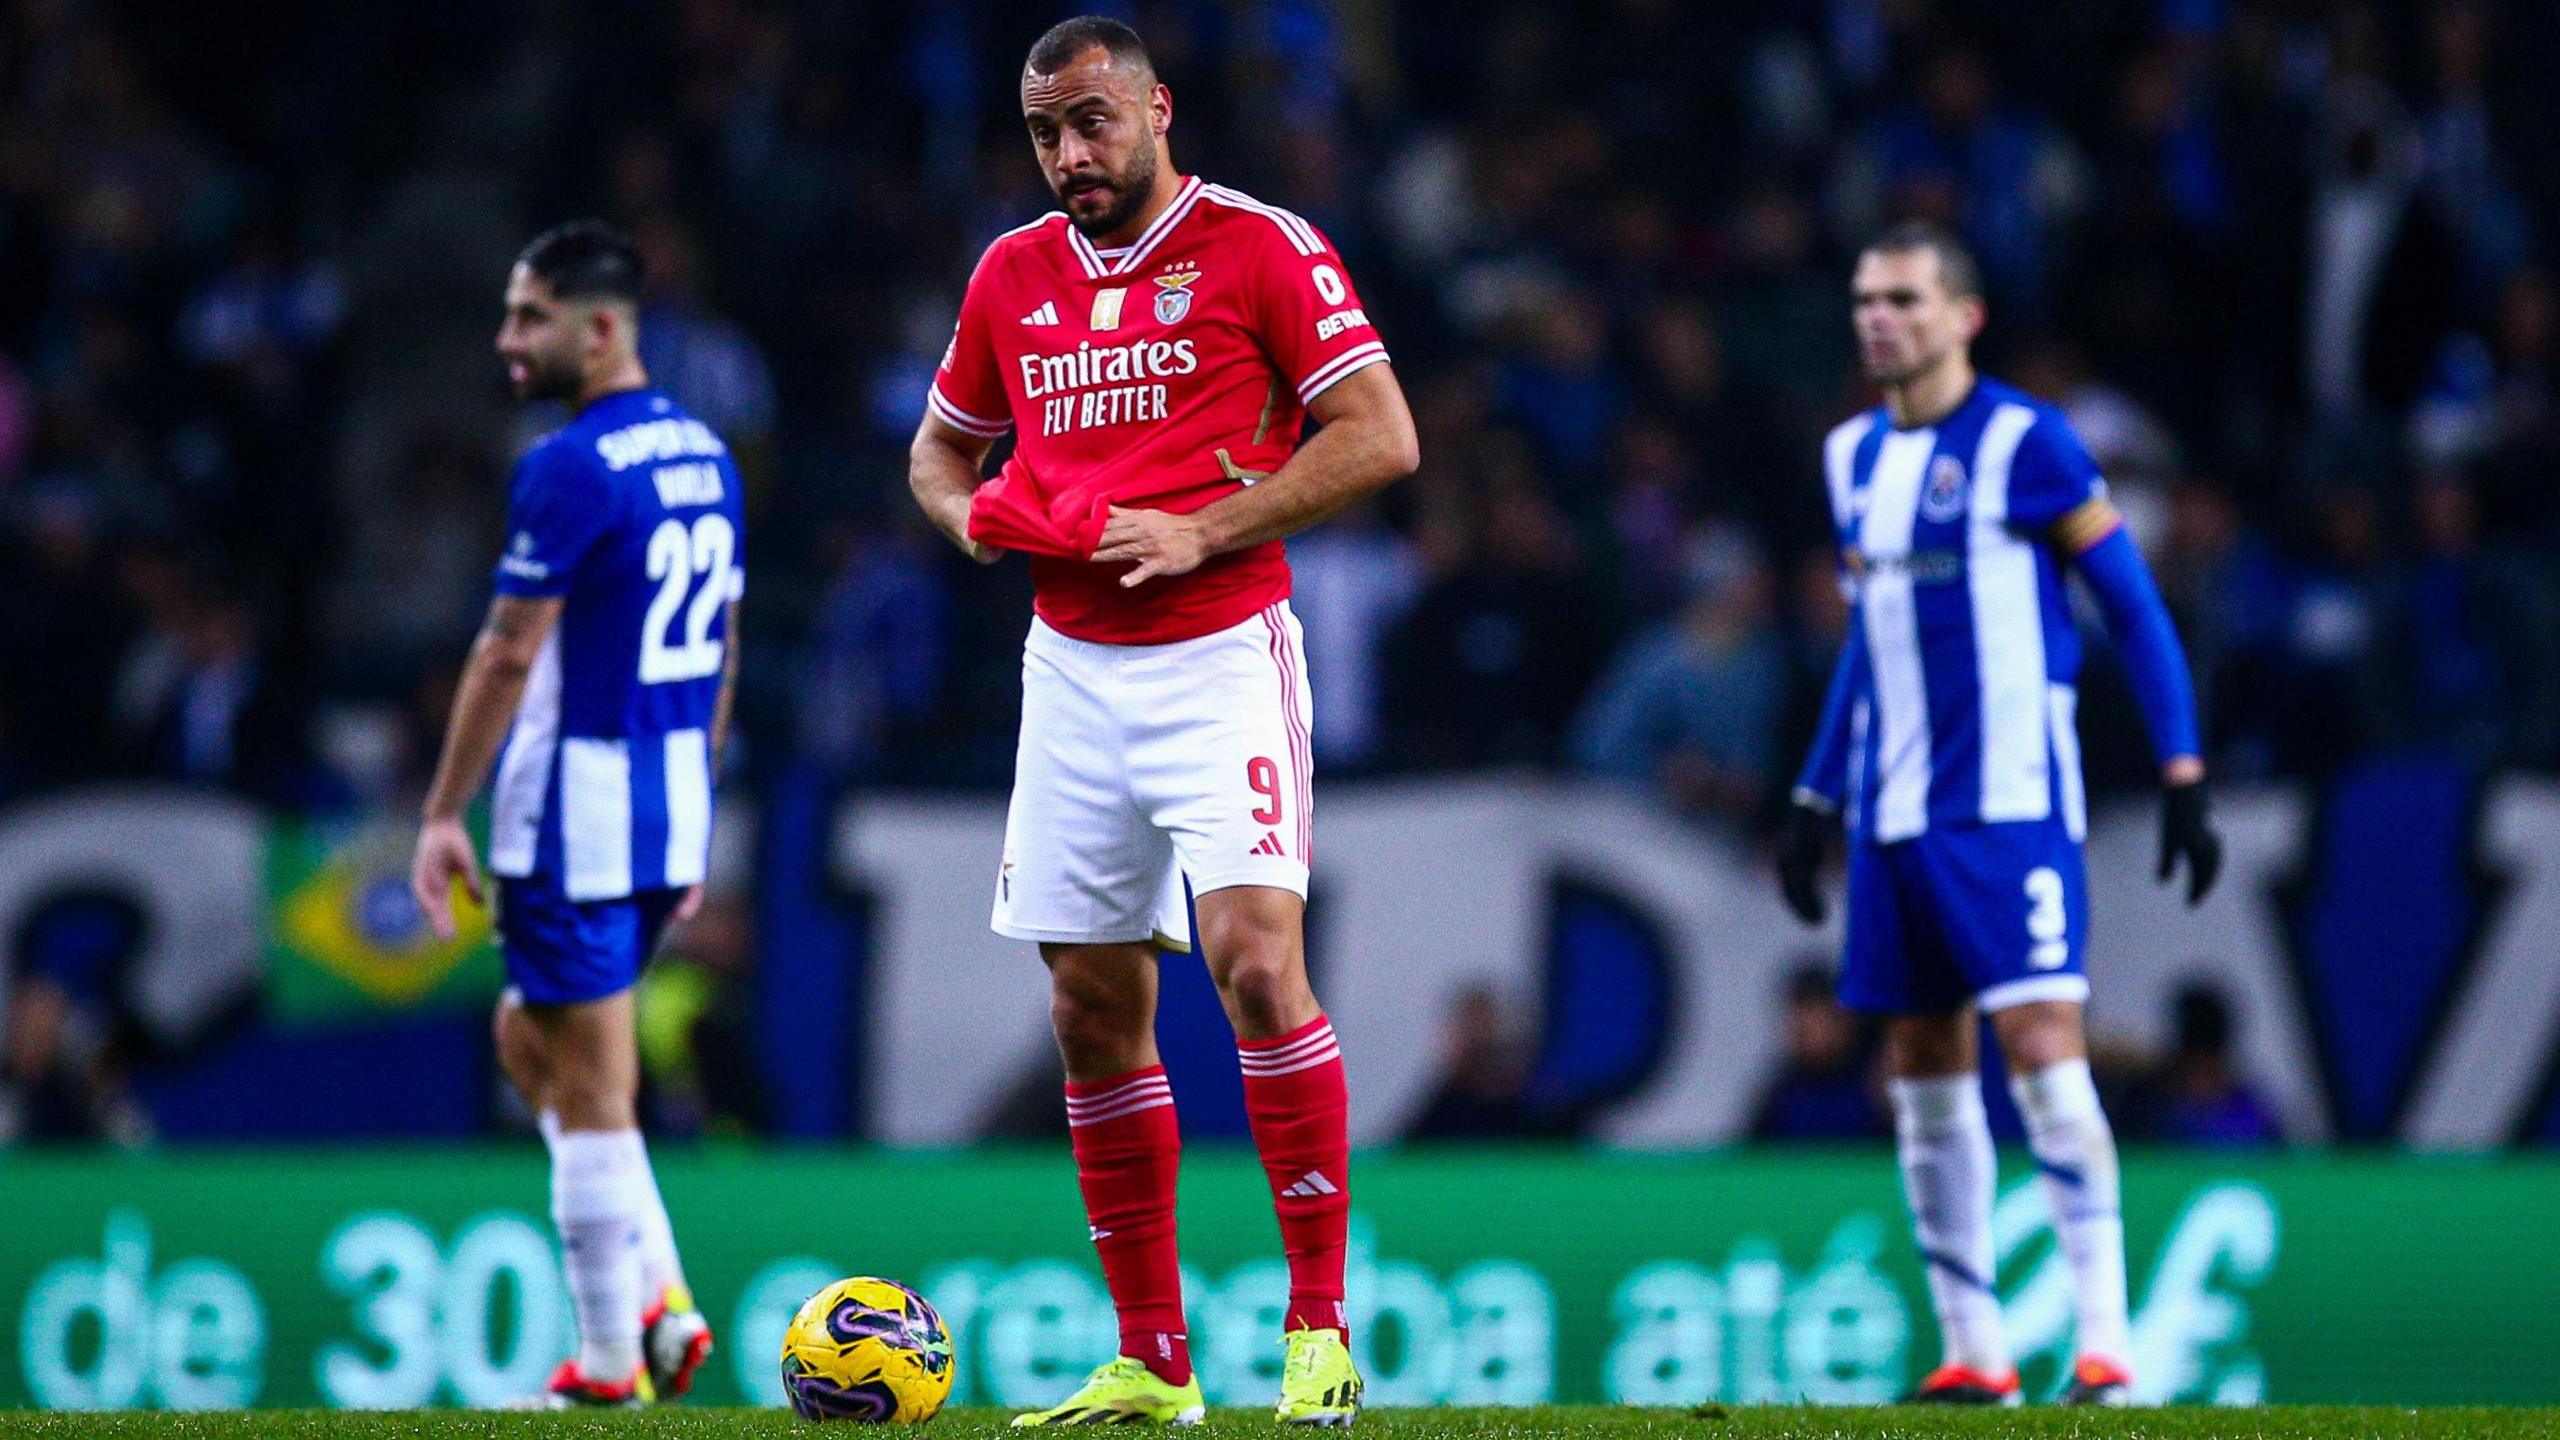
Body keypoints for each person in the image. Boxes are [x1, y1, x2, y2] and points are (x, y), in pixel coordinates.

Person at [908, 16, 1417, 1427]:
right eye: (1046, 133)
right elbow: (940, 448)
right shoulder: (1012, 274)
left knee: (1256, 967)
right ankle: (1154, 1361)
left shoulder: (1263, 244)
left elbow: (1381, 433)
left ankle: (1318, 1330)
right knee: (1088, 1006)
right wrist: (970, 522)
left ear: (1157, 110)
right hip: (1070, 669)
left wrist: (1208, 531)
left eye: (1092, 122)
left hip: (1219, 658)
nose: (1071, 153)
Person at [1774, 221, 2222, 1408]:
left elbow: (2131, 606)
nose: (1881, 319)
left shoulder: (2028, 442)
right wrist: (1817, 794)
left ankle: (2110, 1349)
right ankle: (1977, 1349)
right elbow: (1869, 649)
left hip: (2009, 804)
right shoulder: (1848, 458)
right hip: (1891, 814)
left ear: (1963, 316)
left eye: (1907, 300)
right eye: (1867, 298)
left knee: (2038, 1053)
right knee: (1921, 1062)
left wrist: (2181, 768)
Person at [408, 222, 739, 1409]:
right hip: (665, 804)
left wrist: (444, 810)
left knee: (592, 1087)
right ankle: (663, 1300)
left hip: (573, 813)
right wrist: (695, 799)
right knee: (526, 1040)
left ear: (599, 328)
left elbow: (505, 654)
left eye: (528, 316)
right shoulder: (706, 453)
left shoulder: (566, 464)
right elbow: (725, 642)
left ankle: (607, 1369)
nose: (507, 339)